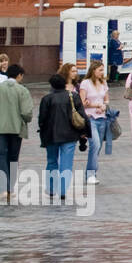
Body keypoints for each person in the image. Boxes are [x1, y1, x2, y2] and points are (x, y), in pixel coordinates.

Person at [40, 73, 86, 203]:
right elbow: (82, 116)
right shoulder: (74, 97)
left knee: (51, 161)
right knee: (66, 163)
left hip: (51, 135)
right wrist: (83, 133)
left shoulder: (47, 99)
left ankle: (50, 188)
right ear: (65, 84)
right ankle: (63, 191)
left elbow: (42, 119)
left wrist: (42, 133)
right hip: (70, 135)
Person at [0, 64, 33, 202]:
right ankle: (10, 189)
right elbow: (27, 113)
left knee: (0, 156)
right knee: (13, 157)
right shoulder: (22, 90)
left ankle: (2, 188)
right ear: (19, 75)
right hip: (16, 129)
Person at [78, 61, 109, 185]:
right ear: (93, 70)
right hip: (90, 118)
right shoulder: (85, 83)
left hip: (102, 118)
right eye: (100, 70)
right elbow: (82, 102)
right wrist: (96, 104)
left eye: (103, 70)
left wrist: (104, 106)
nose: (102, 72)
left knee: (98, 147)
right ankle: (90, 173)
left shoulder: (103, 83)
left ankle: (92, 173)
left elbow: (106, 99)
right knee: (95, 144)